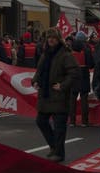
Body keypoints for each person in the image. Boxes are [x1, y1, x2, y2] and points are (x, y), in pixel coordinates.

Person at [32, 28, 79, 162]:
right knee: (41, 121)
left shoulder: (66, 54)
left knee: (59, 127)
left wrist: (63, 85)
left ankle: (59, 153)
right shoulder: (45, 54)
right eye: (49, 37)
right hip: (46, 95)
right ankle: (54, 146)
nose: (51, 40)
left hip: (59, 96)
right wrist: (35, 80)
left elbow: (74, 72)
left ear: (59, 39)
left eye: (53, 37)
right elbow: (39, 70)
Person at [69, 31, 94, 126]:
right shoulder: (87, 50)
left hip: (73, 75)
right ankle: (84, 121)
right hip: (84, 75)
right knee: (84, 99)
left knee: (72, 99)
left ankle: (72, 121)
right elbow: (91, 64)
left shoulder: (71, 50)